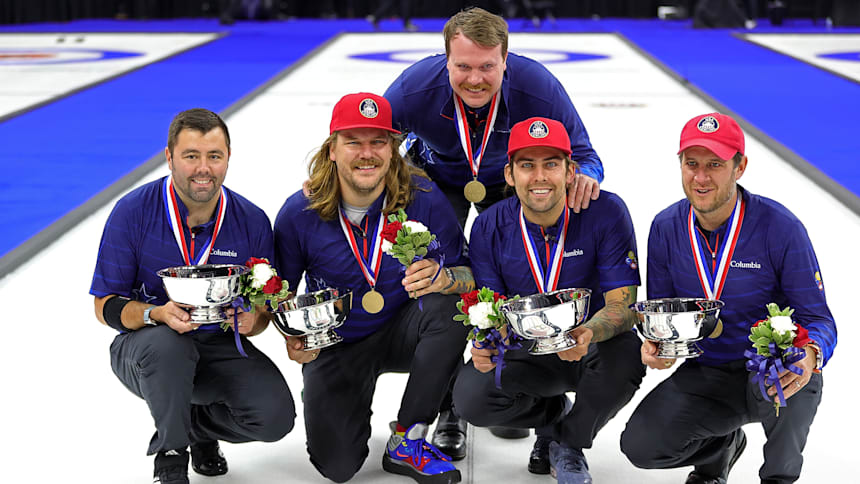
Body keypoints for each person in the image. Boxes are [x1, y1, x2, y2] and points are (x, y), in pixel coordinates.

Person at [384, 5, 606, 457]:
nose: (475, 79)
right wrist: (330, 179)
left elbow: (585, 154)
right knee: (441, 283)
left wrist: (586, 176)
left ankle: (521, 384)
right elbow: (367, 144)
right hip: (437, 182)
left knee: (529, 274)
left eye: (487, 67)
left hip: (510, 184)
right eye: (463, 67)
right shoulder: (414, 87)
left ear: (506, 60)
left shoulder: (537, 87)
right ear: (445, 61)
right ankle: (448, 407)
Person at [620, 113, 836, 484]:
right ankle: (720, 449)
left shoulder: (780, 228)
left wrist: (811, 354)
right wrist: (659, 346)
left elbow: (819, 320)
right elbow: (664, 315)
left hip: (770, 367)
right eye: (692, 164)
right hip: (708, 373)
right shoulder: (666, 227)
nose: (701, 177)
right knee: (641, 445)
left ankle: (779, 477)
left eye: (715, 165)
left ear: (740, 167)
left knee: (798, 377)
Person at [273, 92, 473, 484]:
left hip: (405, 329)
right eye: (354, 142)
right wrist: (293, 337)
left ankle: (409, 439)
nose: (367, 154)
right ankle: (331, 395)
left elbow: (468, 273)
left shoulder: (424, 198)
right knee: (337, 467)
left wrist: (445, 278)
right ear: (332, 149)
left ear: (393, 149)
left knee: (450, 309)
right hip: (339, 340)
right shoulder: (300, 212)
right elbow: (279, 293)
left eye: (378, 142)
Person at [89, 108, 295, 484]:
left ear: (228, 158)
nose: (203, 168)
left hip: (217, 346)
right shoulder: (133, 212)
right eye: (191, 156)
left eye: (214, 156)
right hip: (147, 348)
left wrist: (254, 321)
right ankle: (170, 456)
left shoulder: (251, 220)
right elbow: (104, 306)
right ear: (169, 158)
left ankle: (195, 429)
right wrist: (155, 314)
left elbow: (263, 309)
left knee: (274, 417)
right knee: (169, 346)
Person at [452, 117, 645, 483]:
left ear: (571, 171)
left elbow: (624, 306)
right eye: (527, 165)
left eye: (551, 164)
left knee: (627, 358)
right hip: (526, 349)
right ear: (509, 174)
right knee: (471, 398)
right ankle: (553, 416)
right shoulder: (489, 225)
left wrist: (586, 333)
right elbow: (492, 309)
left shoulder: (606, 212)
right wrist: (486, 343)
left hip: (591, 345)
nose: (539, 177)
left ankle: (568, 442)